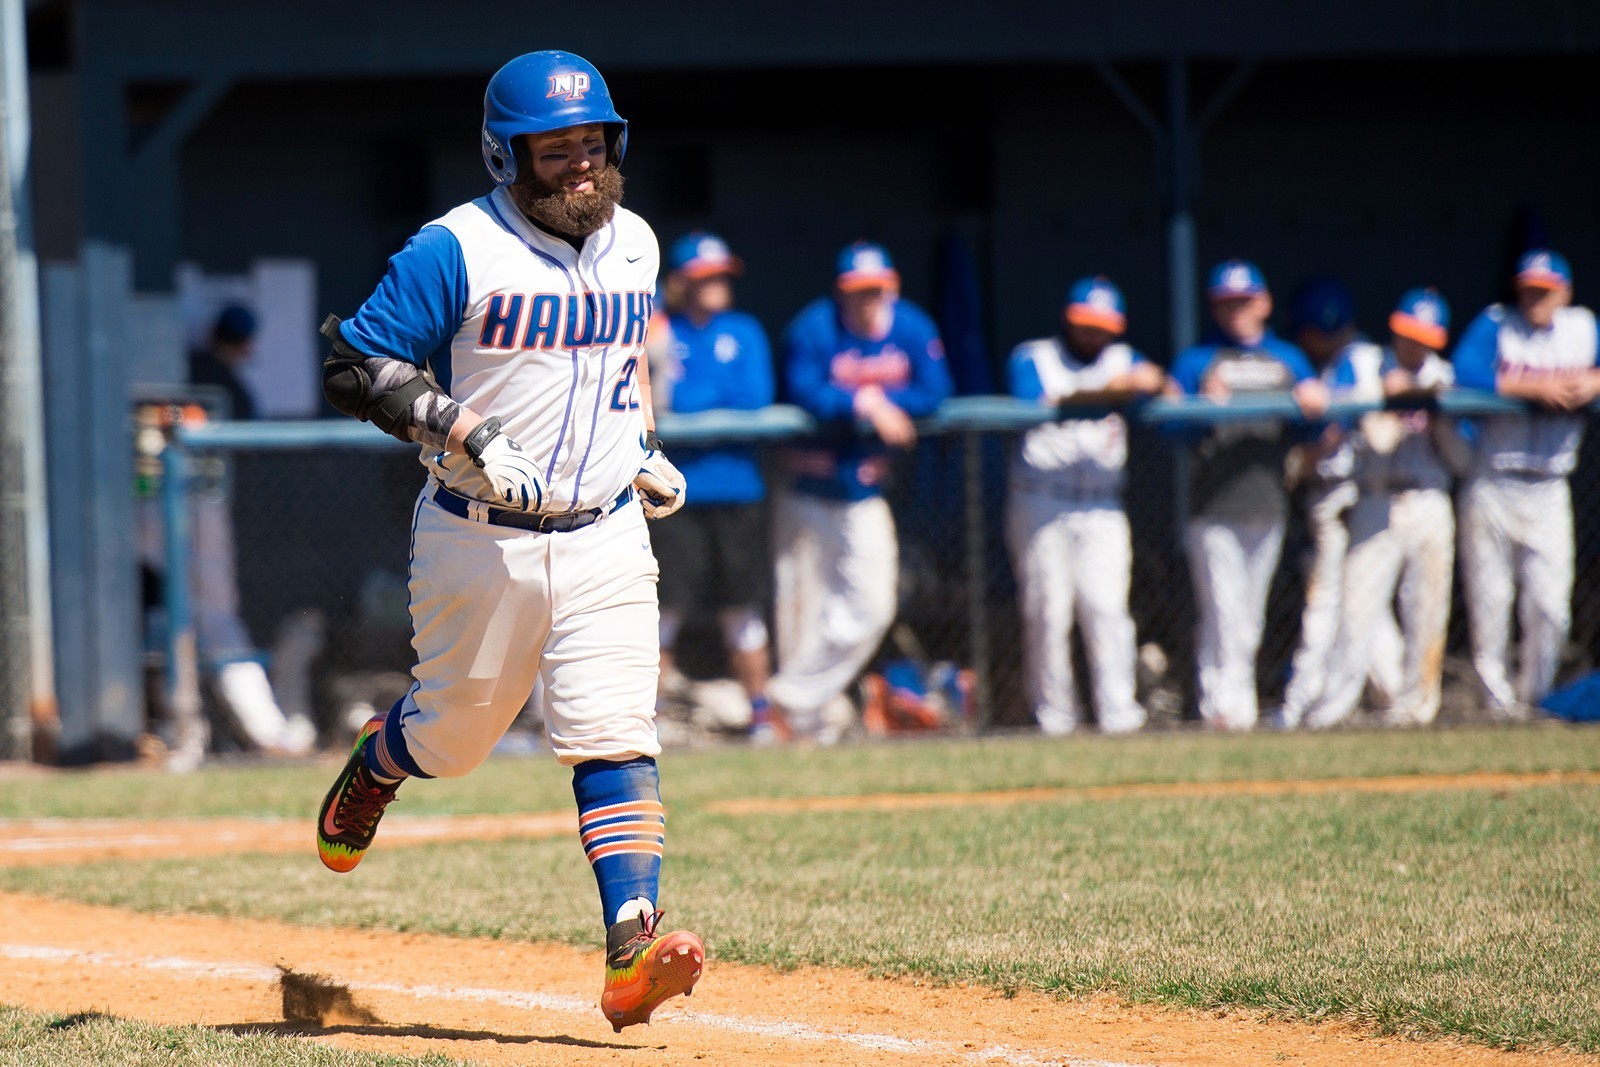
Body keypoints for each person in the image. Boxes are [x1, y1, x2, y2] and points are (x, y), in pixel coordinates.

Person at [311, 50, 703, 1033]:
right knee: (455, 737)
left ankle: (629, 944)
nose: (581, 167)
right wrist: (461, 426)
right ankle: (382, 758)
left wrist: (641, 445)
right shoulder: (456, 247)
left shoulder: (637, 242)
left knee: (614, 729)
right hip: (480, 538)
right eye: (556, 151)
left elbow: (618, 366)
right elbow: (354, 364)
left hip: (607, 533)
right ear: (504, 155)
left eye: (592, 144)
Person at [768, 241, 953, 742]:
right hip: (806, 487)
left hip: (864, 488)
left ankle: (790, 698)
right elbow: (803, 392)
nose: (868, 300)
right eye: (859, 292)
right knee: (801, 607)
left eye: (877, 290)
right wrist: (867, 402)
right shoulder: (815, 326)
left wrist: (880, 401)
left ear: (891, 288)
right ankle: (809, 722)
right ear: (841, 292)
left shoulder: (911, 326)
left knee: (872, 604)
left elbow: (936, 391)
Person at [139, 304, 316, 764]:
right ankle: (201, 731)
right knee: (209, 621)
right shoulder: (221, 381)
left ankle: (178, 731)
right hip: (193, 504)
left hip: (146, 504)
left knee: (168, 618)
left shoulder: (191, 367)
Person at [1165, 259, 1329, 731]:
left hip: (1269, 502)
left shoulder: (1288, 359)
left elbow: (1312, 428)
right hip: (1214, 505)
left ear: (1264, 302)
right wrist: (1200, 407)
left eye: (1244, 301)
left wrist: (1314, 407)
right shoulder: (1197, 360)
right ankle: (1223, 706)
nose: (1236, 310)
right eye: (1226, 303)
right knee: (1223, 608)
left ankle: (1233, 703)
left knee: (1249, 614)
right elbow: (1171, 430)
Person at [1003, 276, 1164, 735]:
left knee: (1106, 607)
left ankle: (1119, 714)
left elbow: (1165, 386)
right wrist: (1119, 389)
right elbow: (1041, 401)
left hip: (1102, 504)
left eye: (1102, 326)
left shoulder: (1123, 359)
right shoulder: (1034, 357)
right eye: (1085, 324)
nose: (1093, 334)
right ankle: (1056, 719)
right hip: (1042, 500)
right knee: (1047, 612)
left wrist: (1151, 381)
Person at [1303, 288, 1470, 729]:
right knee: (1357, 607)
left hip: (1430, 497)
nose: (1413, 345)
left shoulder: (1446, 377)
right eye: (1406, 335)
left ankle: (1416, 710)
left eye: (1423, 337)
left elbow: (1463, 459)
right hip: (1375, 495)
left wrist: (1433, 410)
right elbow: (1354, 427)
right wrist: (1389, 398)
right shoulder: (1366, 364)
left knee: (1426, 609)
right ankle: (1333, 710)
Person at [1453, 249, 1600, 719]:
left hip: (1550, 484)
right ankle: (1497, 706)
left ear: (1565, 292)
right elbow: (1462, 372)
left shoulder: (1583, 328)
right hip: (1494, 479)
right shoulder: (1497, 323)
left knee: (1549, 604)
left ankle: (1536, 700)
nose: (1533, 298)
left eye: (1545, 290)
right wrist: (1527, 388)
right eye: (1528, 289)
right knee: (1490, 602)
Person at [648, 231, 780, 739]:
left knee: (742, 608)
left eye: (721, 275)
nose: (716, 284)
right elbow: (660, 400)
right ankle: (649, 721)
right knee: (665, 610)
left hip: (738, 490)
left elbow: (753, 396)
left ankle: (761, 715)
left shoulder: (743, 330)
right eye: (703, 277)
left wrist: (693, 397)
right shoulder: (663, 329)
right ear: (682, 283)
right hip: (676, 495)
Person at [1271, 278, 1368, 728]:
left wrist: (1301, 461)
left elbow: (1335, 431)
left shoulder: (1358, 359)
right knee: (1355, 604)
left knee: (1331, 601)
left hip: (1355, 494)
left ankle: (1305, 704)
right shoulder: (1334, 364)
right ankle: (1376, 700)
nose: (1302, 341)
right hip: (1346, 496)